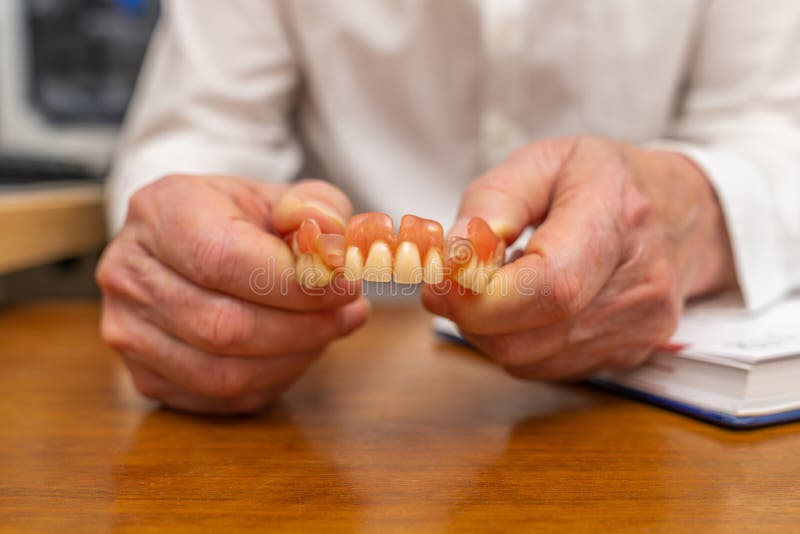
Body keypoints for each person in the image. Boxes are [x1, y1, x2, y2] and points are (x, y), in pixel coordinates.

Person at [97, 0, 800, 414]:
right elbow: (200, 136)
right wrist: (201, 268)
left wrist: (692, 209)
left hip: (627, 415)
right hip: (326, 413)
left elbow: (774, 120)